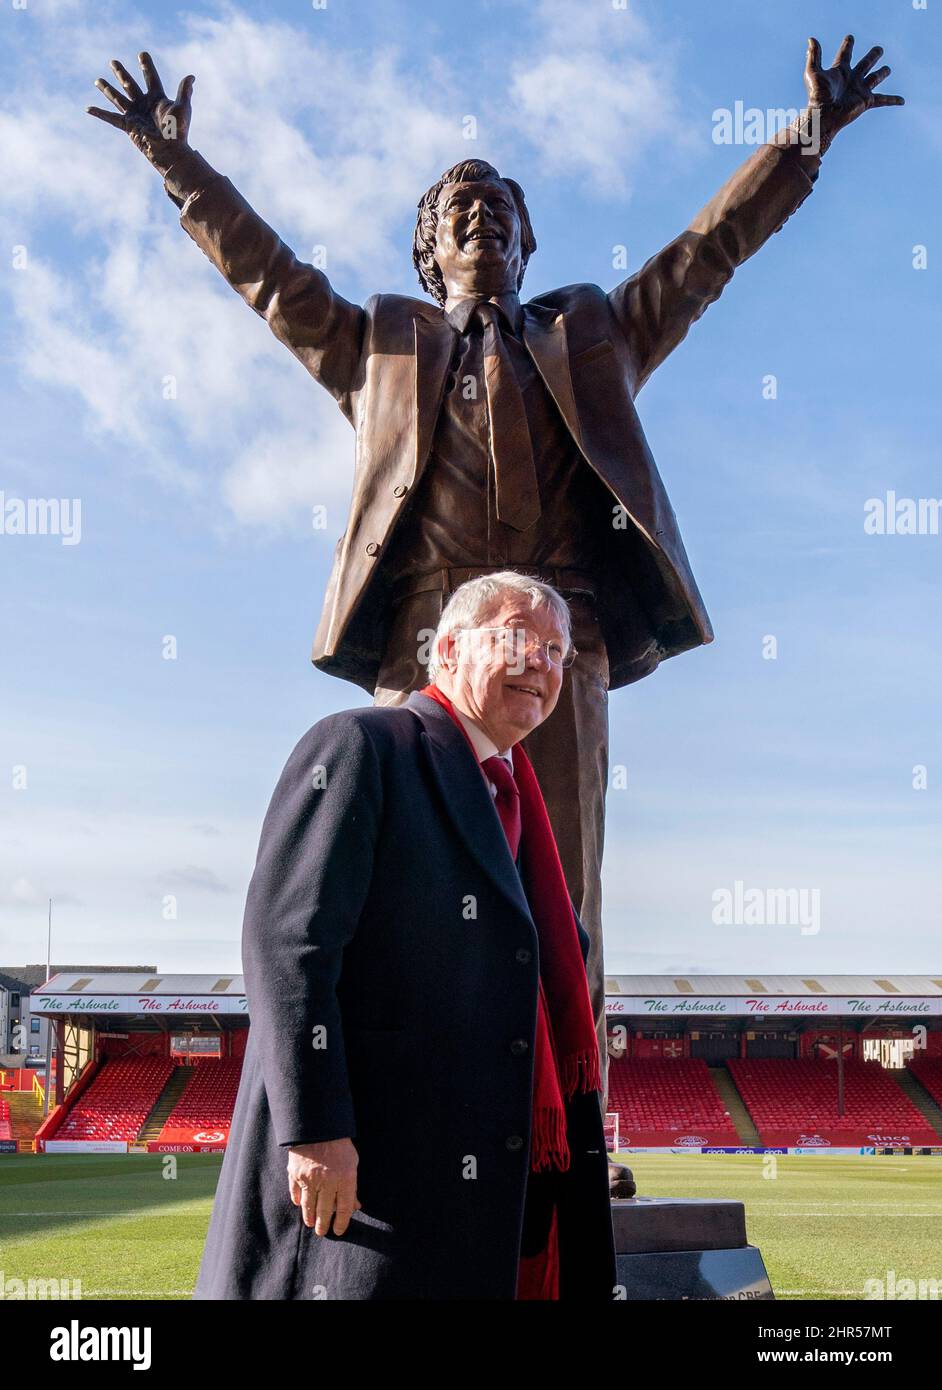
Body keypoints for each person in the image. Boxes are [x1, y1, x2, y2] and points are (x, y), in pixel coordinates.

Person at [86, 36, 903, 1111]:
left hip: (559, 639)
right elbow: (271, 277)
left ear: (527, 242)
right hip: (428, 635)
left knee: (561, 891)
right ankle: (413, 1118)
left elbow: (707, 251)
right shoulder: (380, 344)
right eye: (455, 212)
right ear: (429, 254)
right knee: (408, 878)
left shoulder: (595, 333)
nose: (478, 220)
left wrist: (807, 139)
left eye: (498, 210)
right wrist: (177, 163)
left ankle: (571, 1131)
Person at [190, 570, 616, 1299]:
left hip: (479, 1191)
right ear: (447, 649)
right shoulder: (363, 745)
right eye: (521, 638)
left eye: (557, 652)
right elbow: (289, 944)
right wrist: (316, 1130)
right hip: (374, 1181)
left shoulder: (516, 802)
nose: (543, 664)